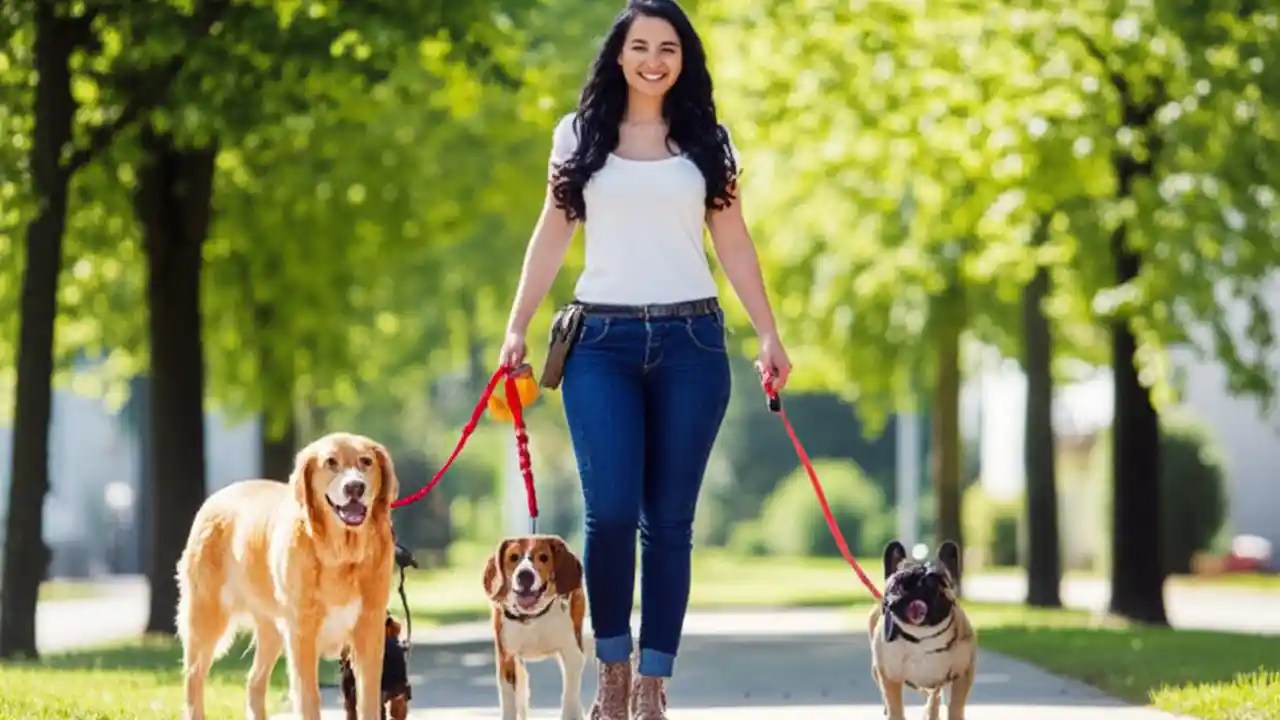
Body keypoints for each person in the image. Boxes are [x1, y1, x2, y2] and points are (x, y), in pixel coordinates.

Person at [497, 1, 791, 717]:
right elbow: (551, 232)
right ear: (618, 54)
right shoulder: (578, 136)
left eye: (668, 47)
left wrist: (769, 334)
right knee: (613, 514)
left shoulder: (707, 141)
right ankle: (613, 669)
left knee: (669, 522)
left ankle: (654, 680)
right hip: (601, 343)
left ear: (683, 58)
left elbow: (735, 241)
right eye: (640, 46)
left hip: (693, 343)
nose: (654, 59)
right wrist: (516, 327)